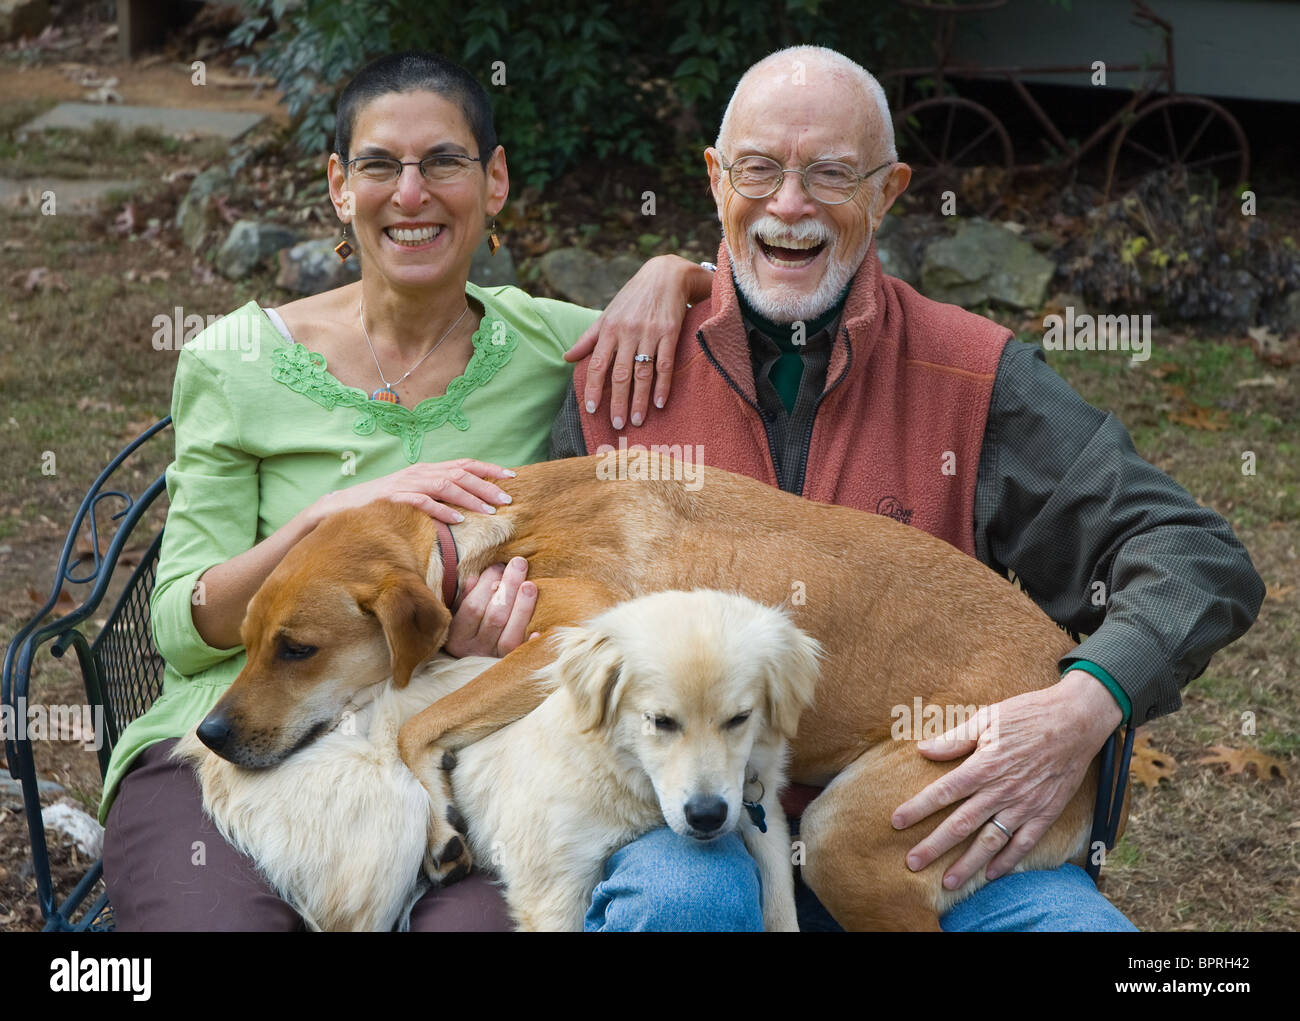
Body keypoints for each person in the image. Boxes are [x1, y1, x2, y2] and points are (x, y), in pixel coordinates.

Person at [553, 45, 1266, 931]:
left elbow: (1195, 556)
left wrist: (1086, 705)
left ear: (889, 191)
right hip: (693, 834)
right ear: (713, 179)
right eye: (759, 169)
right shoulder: (619, 375)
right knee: (683, 899)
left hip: (930, 829)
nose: (788, 203)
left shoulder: (973, 375)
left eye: (831, 174)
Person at [99, 50, 712, 931]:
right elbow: (179, 625)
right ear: (340, 189)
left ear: (494, 179)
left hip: (454, 763)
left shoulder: (556, 348)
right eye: (379, 165)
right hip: (225, 744)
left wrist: (670, 272)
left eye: (444, 162)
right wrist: (323, 518)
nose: (411, 193)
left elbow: (745, 322)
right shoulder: (237, 361)